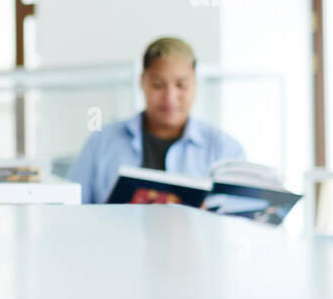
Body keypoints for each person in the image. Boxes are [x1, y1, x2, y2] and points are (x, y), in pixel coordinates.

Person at [68, 36, 246, 204]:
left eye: (181, 85)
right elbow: (72, 209)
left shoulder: (225, 150)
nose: (170, 97)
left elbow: (240, 223)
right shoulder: (102, 141)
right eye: (157, 85)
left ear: (195, 83)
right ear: (142, 82)